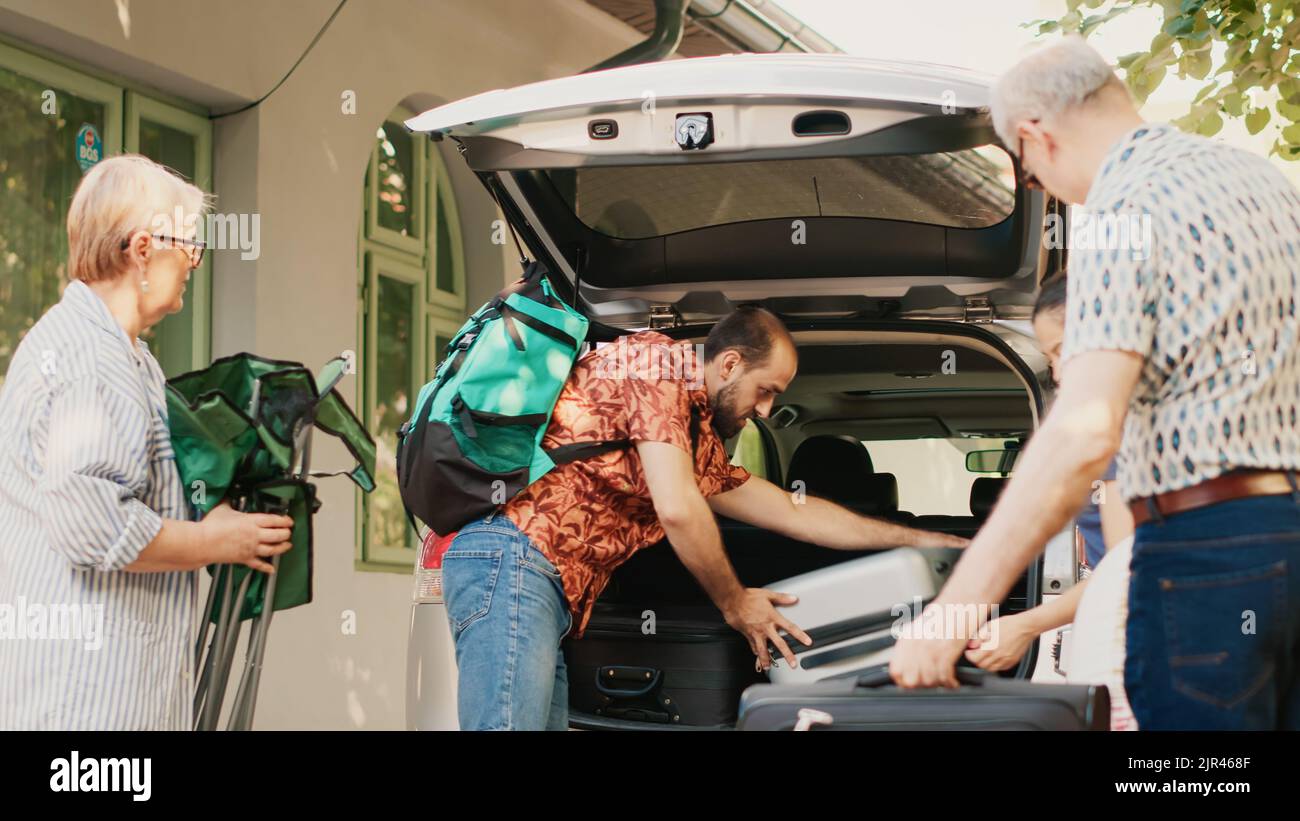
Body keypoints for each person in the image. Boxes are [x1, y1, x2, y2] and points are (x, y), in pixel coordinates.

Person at [890, 36, 1300, 731]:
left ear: (1035, 136)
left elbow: (1083, 431)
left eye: (1026, 175)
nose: (1043, 188)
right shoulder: (1268, 186)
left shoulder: (1119, 211)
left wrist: (952, 612)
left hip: (1209, 551)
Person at [442, 305, 969, 730]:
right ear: (731, 363)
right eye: (767, 390)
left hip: (545, 591)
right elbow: (676, 508)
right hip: (511, 563)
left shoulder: (696, 447)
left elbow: (793, 510)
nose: (765, 410)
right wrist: (735, 604)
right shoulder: (656, 362)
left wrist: (923, 539)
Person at [0, 155, 294, 730]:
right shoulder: (88, 359)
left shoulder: (128, 356)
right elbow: (94, 524)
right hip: (81, 708)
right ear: (141, 250)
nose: (192, 264)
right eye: (187, 247)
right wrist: (215, 542)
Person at [963, 275, 1134, 678]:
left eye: (1060, 352)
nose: (1056, 374)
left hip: (1133, 629)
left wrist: (1026, 624)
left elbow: (1127, 567)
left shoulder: (1117, 427)